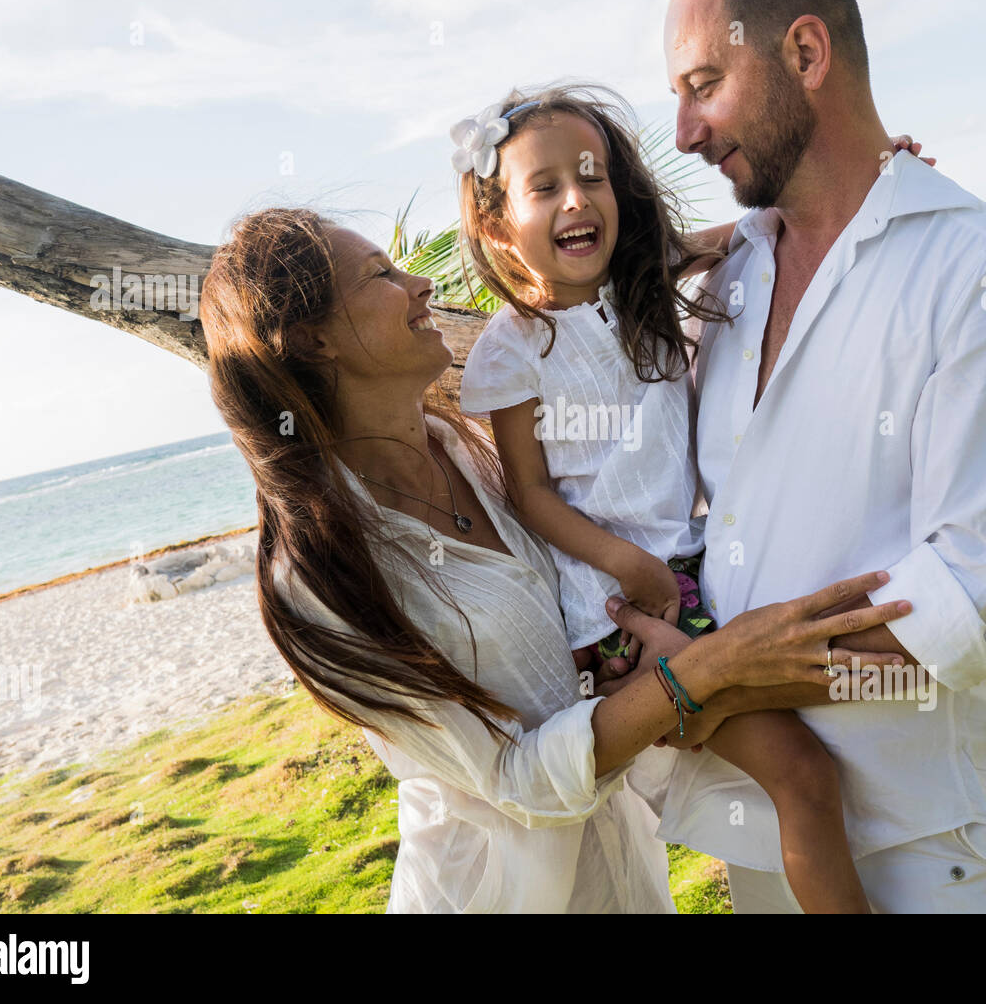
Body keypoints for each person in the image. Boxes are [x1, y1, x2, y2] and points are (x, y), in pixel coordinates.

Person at [198, 205, 912, 913]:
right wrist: (703, 671)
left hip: (624, 875)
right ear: (314, 340)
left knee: (880, 689)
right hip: (498, 895)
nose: (420, 282)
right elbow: (514, 777)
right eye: (379, 275)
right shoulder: (319, 574)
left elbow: (614, 288)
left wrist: (849, 203)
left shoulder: (482, 460)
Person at [605, 0, 986, 913]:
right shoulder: (728, 282)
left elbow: (967, 612)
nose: (684, 132)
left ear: (806, 53)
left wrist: (712, 682)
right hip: (762, 845)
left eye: (704, 86)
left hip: (936, 859)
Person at [454, 85, 924, 911]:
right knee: (806, 770)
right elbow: (529, 492)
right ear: (498, 228)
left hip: (692, 576)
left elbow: (757, 228)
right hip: (620, 613)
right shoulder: (513, 349)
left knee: (879, 683)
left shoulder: (644, 283)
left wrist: (877, 178)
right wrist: (627, 564)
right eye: (545, 187)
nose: (576, 199)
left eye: (592, 176)